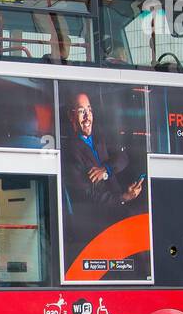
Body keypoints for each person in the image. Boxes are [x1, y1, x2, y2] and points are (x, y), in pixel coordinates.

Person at [61, 92, 144, 220]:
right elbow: (89, 195)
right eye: (81, 111)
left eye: (89, 110)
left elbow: (122, 157)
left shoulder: (100, 135)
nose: (87, 117)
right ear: (71, 116)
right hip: (100, 219)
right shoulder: (70, 151)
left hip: (120, 205)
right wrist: (123, 197)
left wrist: (106, 170)